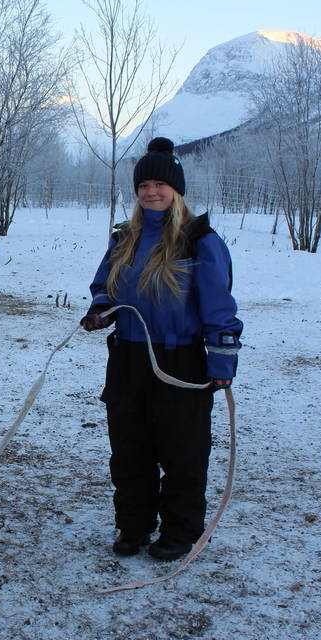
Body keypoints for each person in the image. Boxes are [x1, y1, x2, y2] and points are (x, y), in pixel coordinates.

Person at [81, 137, 242, 561]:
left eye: (160, 184)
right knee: (130, 450)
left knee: (183, 453)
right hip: (129, 359)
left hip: (181, 362)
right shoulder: (125, 239)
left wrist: (223, 357)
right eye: (144, 185)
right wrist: (101, 312)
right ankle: (133, 526)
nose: (151, 192)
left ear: (177, 189)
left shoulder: (199, 241)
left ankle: (179, 531)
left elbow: (219, 306)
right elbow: (105, 288)